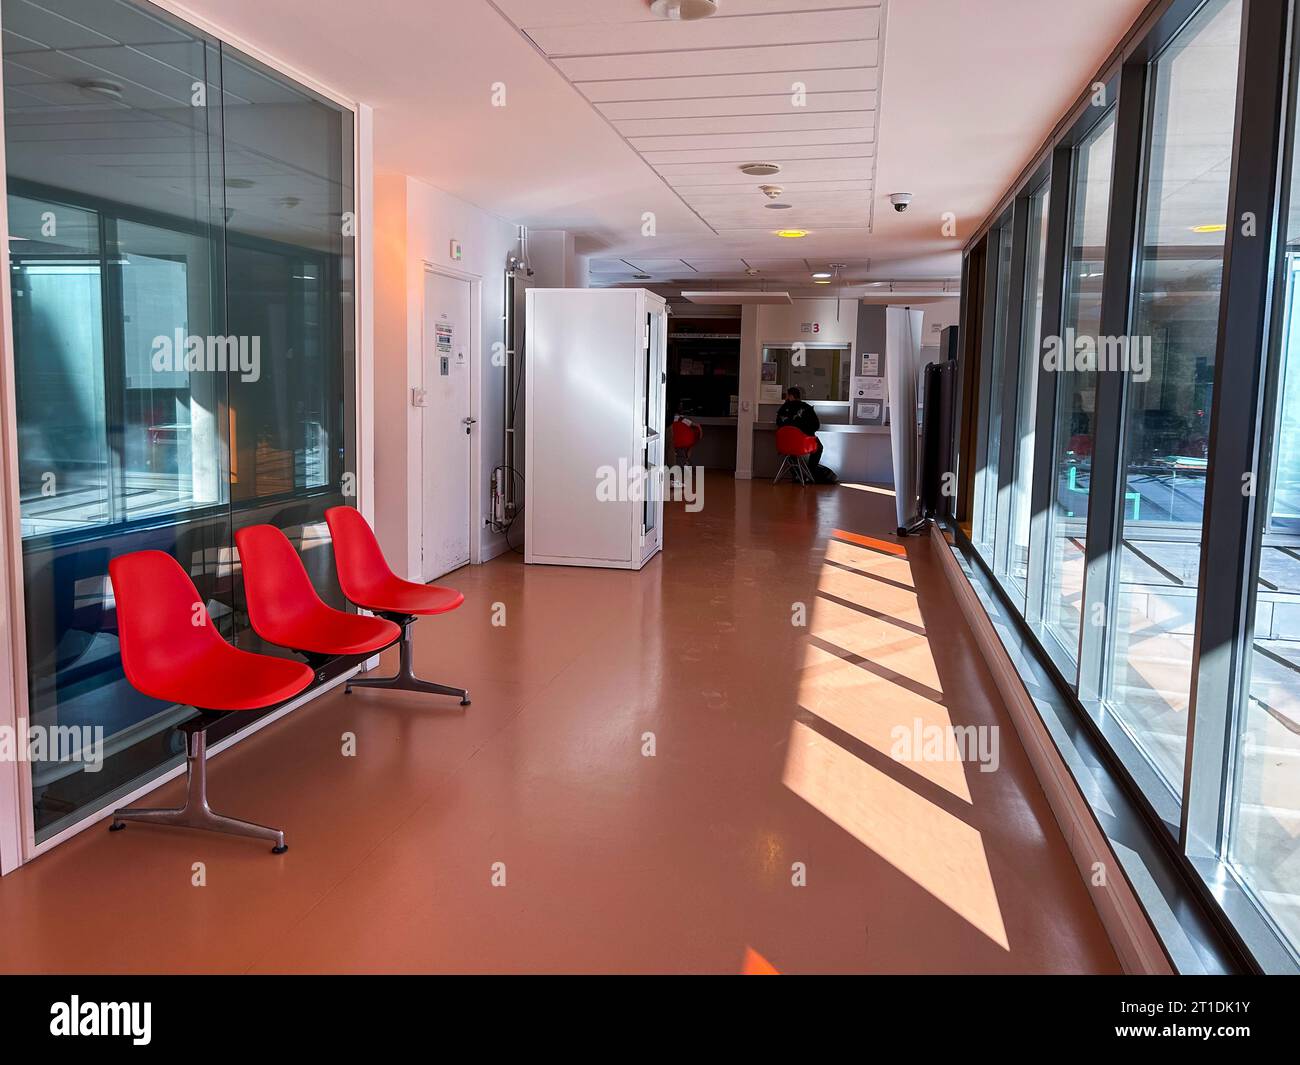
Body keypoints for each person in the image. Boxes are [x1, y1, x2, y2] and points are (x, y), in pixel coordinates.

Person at [775, 387, 834, 482]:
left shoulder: (783, 409)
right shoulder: (806, 408)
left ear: (790, 396)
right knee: (819, 448)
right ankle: (810, 473)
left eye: (786, 396)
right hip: (802, 444)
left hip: (785, 444)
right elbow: (816, 425)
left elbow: (778, 424)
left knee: (790, 453)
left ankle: (797, 475)